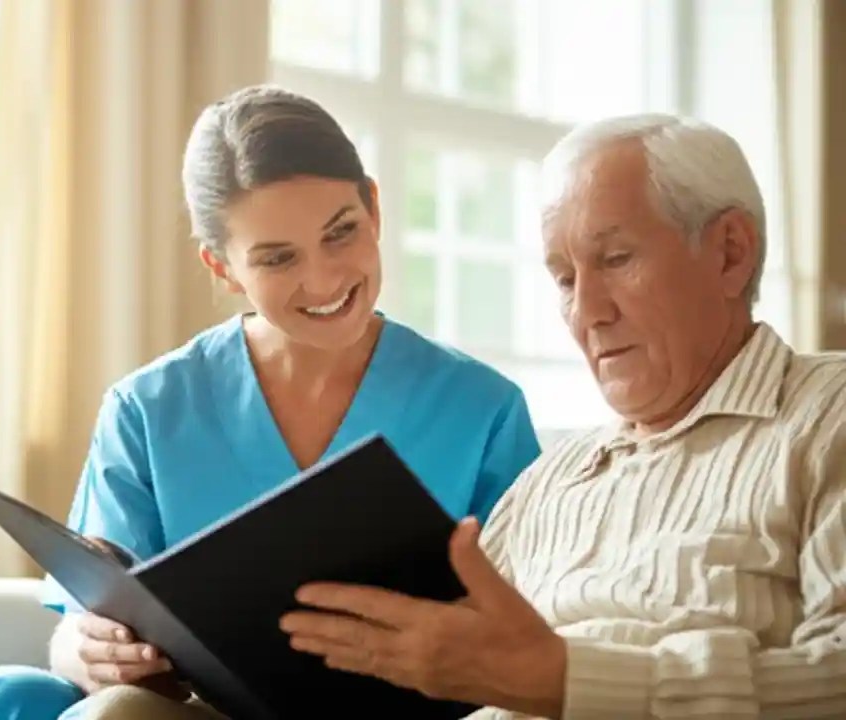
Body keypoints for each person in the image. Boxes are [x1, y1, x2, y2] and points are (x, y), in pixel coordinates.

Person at [0, 84, 542, 720]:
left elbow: (539, 630)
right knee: (10, 699)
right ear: (223, 268)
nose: (325, 279)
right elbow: (82, 620)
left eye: (341, 233)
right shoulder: (149, 409)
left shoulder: (484, 411)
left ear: (375, 208)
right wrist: (87, 650)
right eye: (278, 258)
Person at [273, 115, 846, 719]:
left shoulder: (826, 415)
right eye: (566, 279)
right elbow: (424, 673)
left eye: (617, 258)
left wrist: (566, 681)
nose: (588, 312)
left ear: (731, 253)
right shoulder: (551, 481)